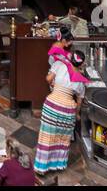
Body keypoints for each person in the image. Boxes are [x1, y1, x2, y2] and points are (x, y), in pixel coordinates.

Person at [34, 40, 86, 175]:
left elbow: (48, 78)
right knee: (62, 138)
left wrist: (53, 85)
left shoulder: (59, 65)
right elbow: (79, 101)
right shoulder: (80, 80)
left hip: (52, 104)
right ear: (81, 64)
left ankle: (41, 167)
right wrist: (77, 114)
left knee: (47, 136)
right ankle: (57, 165)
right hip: (67, 110)